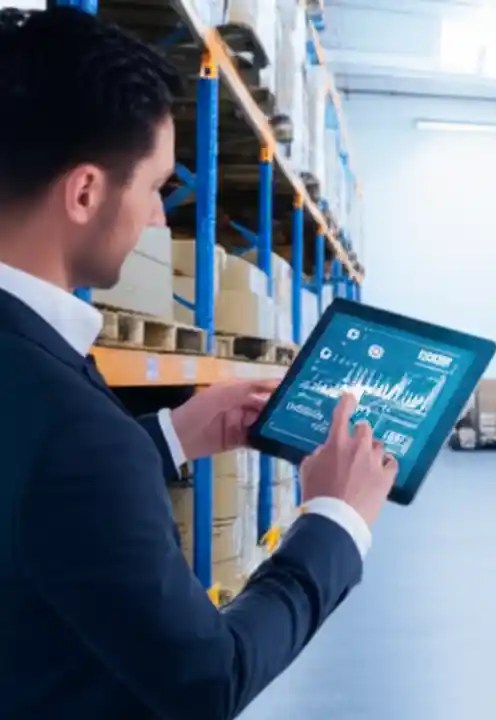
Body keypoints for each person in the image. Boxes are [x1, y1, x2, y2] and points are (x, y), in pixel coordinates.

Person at [0, 8, 396, 718]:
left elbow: (30, 504)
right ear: (86, 192)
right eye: (155, 188)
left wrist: (170, 436)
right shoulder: (76, 432)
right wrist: (336, 518)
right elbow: (208, 680)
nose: (159, 220)